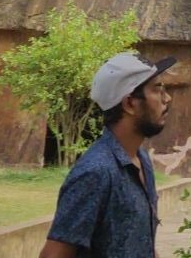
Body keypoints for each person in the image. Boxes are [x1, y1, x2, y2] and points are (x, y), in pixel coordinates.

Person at [39, 53, 175, 258]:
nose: (167, 98)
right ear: (129, 103)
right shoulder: (95, 172)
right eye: (157, 89)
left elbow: (138, 241)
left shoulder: (141, 159)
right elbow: (54, 254)